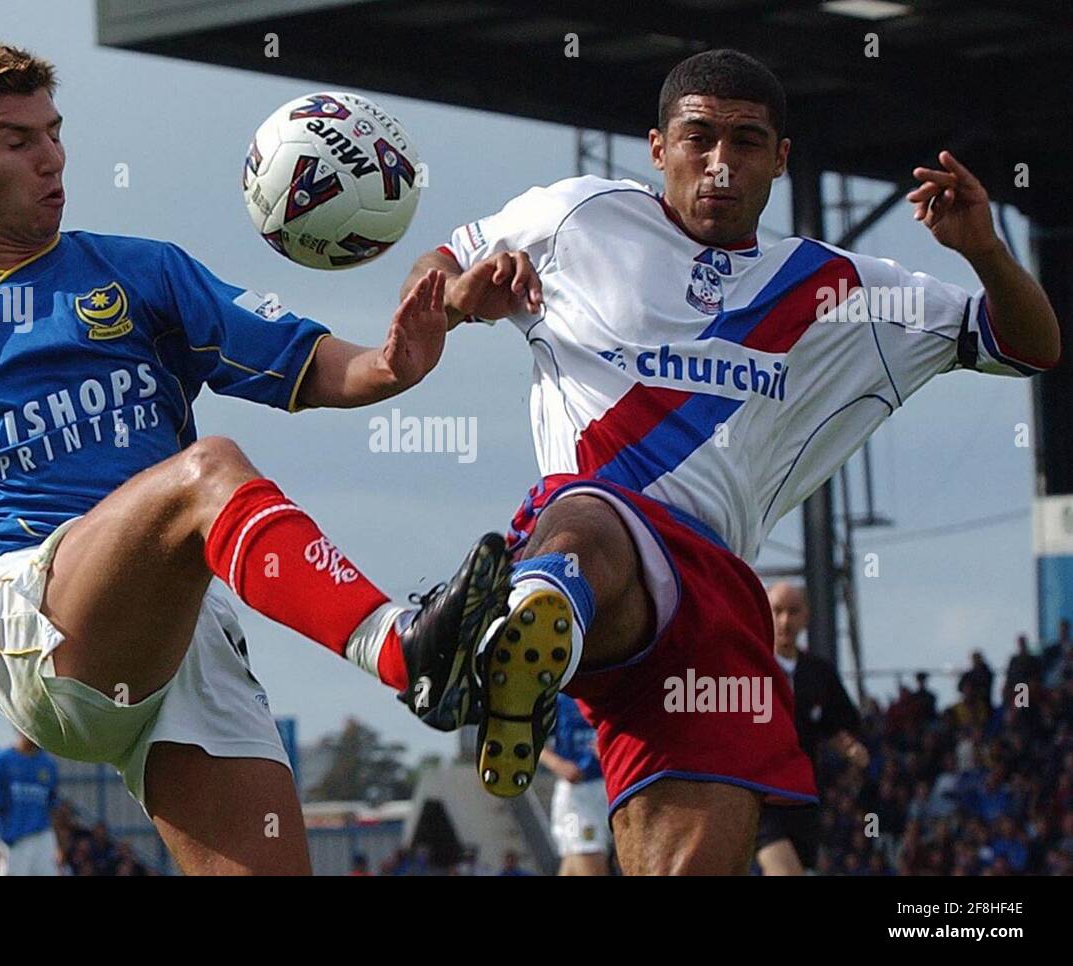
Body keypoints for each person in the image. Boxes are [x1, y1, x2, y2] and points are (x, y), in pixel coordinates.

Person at [0, 36, 512, 876]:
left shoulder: (141, 272)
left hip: (175, 630)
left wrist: (394, 362)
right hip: (27, 611)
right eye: (18, 141)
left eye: (54, 131)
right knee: (209, 471)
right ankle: (398, 645)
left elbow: (305, 364)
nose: (51, 156)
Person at [401, 48, 1061, 873]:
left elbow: (1030, 348)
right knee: (586, 516)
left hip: (713, 600)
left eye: (746, 142)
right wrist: (458, 297)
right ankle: (527, 634)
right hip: (596, 541)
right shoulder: (581, 217)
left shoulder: (845, 289)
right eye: (698, 138)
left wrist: (985, 251)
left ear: (781, 159)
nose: (720, 163)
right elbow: (436, 264)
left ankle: (523, 647)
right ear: (656, 147)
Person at [755, 581, 867, 875]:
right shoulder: (749, 666)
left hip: (804, 799)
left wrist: (849, 746)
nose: (785, 621)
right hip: (759, 798)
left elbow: (840, 724)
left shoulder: (819, 673)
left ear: (806, 616)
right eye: (777, 611)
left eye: (793, 612)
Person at [540, 693, 611, 875]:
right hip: (578, 796)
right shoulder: (562, 699)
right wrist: (558, 764)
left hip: (606, 788)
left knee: (573, 859)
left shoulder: (612, 691)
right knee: (587, 853)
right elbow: (533, 740)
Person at [0, 731, 61, 875]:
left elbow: (53, 809)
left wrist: (58, 846)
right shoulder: (0, 760)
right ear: (18, 728)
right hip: (12, 843)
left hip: (42, 839)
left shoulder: (48, 764)